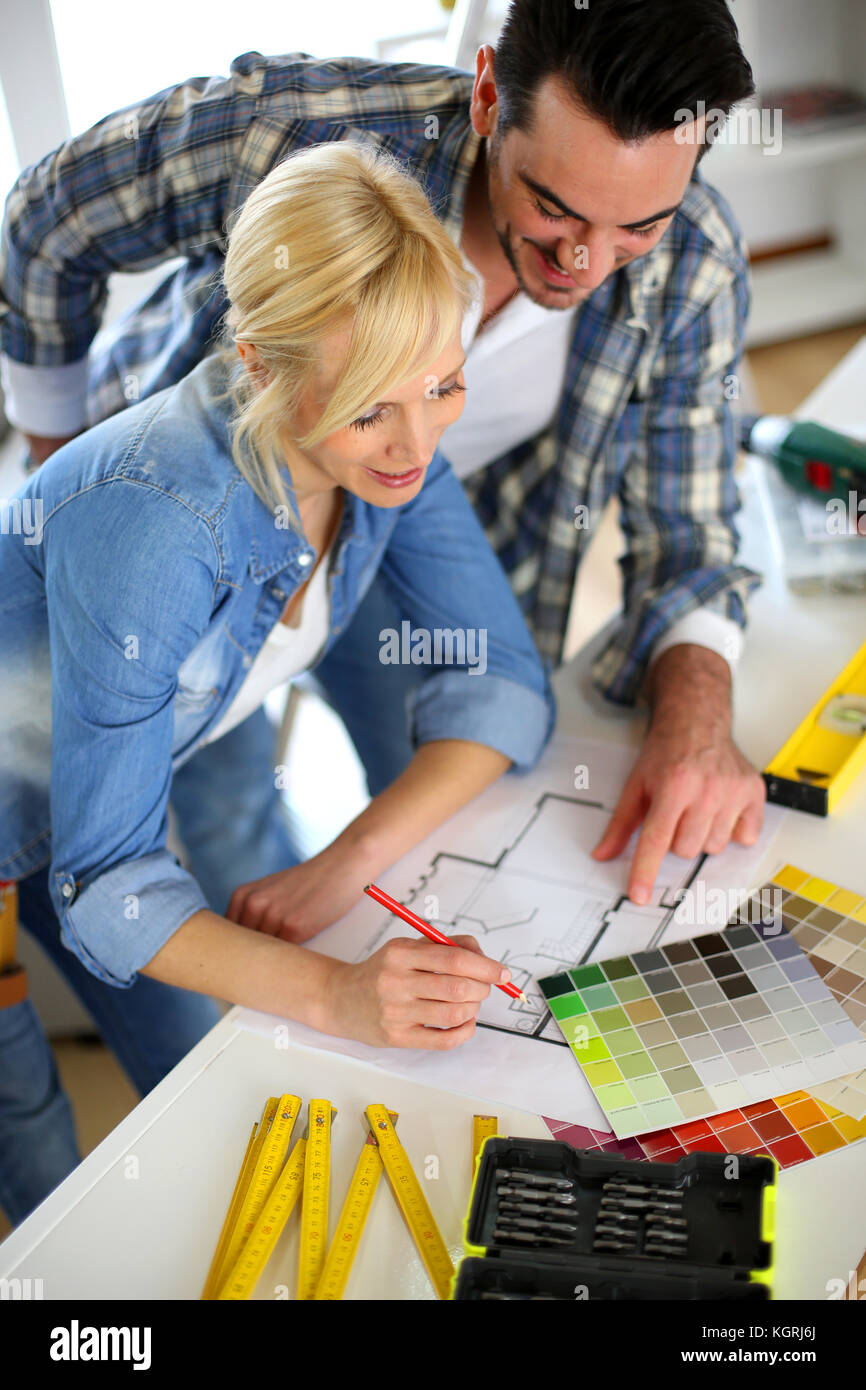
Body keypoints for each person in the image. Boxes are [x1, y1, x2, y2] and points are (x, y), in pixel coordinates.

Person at [0, 0, 766, 910]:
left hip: (409, 519)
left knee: (435, 786)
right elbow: (46, 226)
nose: (588, 262)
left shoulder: (697, 262)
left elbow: (689, 526)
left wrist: (695, 712)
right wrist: (62, 453)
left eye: (638, 227)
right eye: (553, 207)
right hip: (195, 537)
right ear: (488, 96)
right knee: (216, 795)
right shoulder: (286, 131)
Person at [0, 140, 555, 1224]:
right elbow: (109, 891)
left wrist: (342, 865)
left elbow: (501, 683)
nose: (415, 445)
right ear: (257, 362)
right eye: (367, 408)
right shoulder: (157, 522)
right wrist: (342, 990)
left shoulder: (390, 443)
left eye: (441, 386)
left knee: (229, 1103)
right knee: (37, 1149)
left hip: (101, 802)